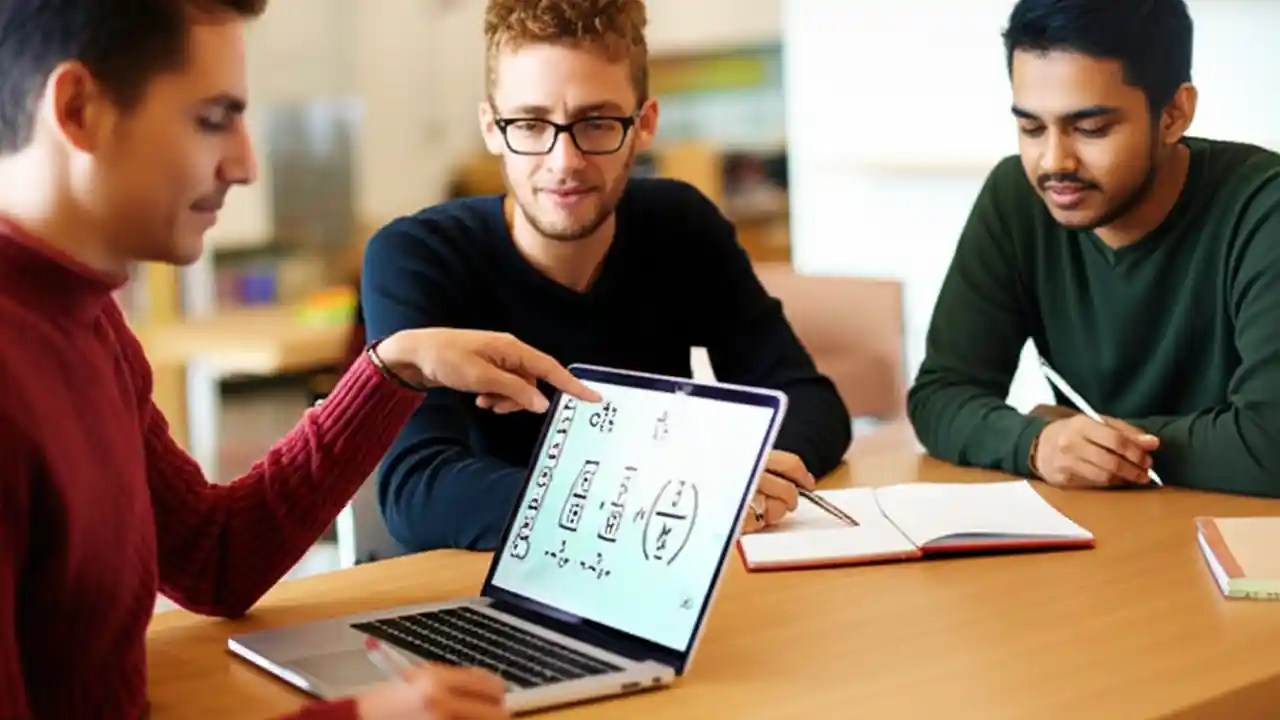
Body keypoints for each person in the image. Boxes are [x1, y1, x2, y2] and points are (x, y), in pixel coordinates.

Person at [0, 1, 603, 718]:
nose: (246, 163)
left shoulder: (87, 320)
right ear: (80, 110)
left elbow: (213, 557)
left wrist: (393, 370)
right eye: (212, 118)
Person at [361, 0, 852, 553]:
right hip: (478, 592)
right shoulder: (416, 256)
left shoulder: (680, 225)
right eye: (529, 123)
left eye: (595, 123)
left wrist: (734, 482)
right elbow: (418, 490)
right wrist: (663, 497)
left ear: (644, 125)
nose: (564, 160)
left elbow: (807, 401)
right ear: (491, 128)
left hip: (657, 572)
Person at [908, 0, 1280, 495]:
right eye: (1031, 128)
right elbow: (940, 395)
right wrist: (1038, 443)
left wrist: (1094, 441)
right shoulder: (1015, 198)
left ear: (1173, 114)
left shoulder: (1264, 209)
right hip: (1103, 535)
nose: (1053, 161)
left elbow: (1270, 444)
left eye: (1091, 129)